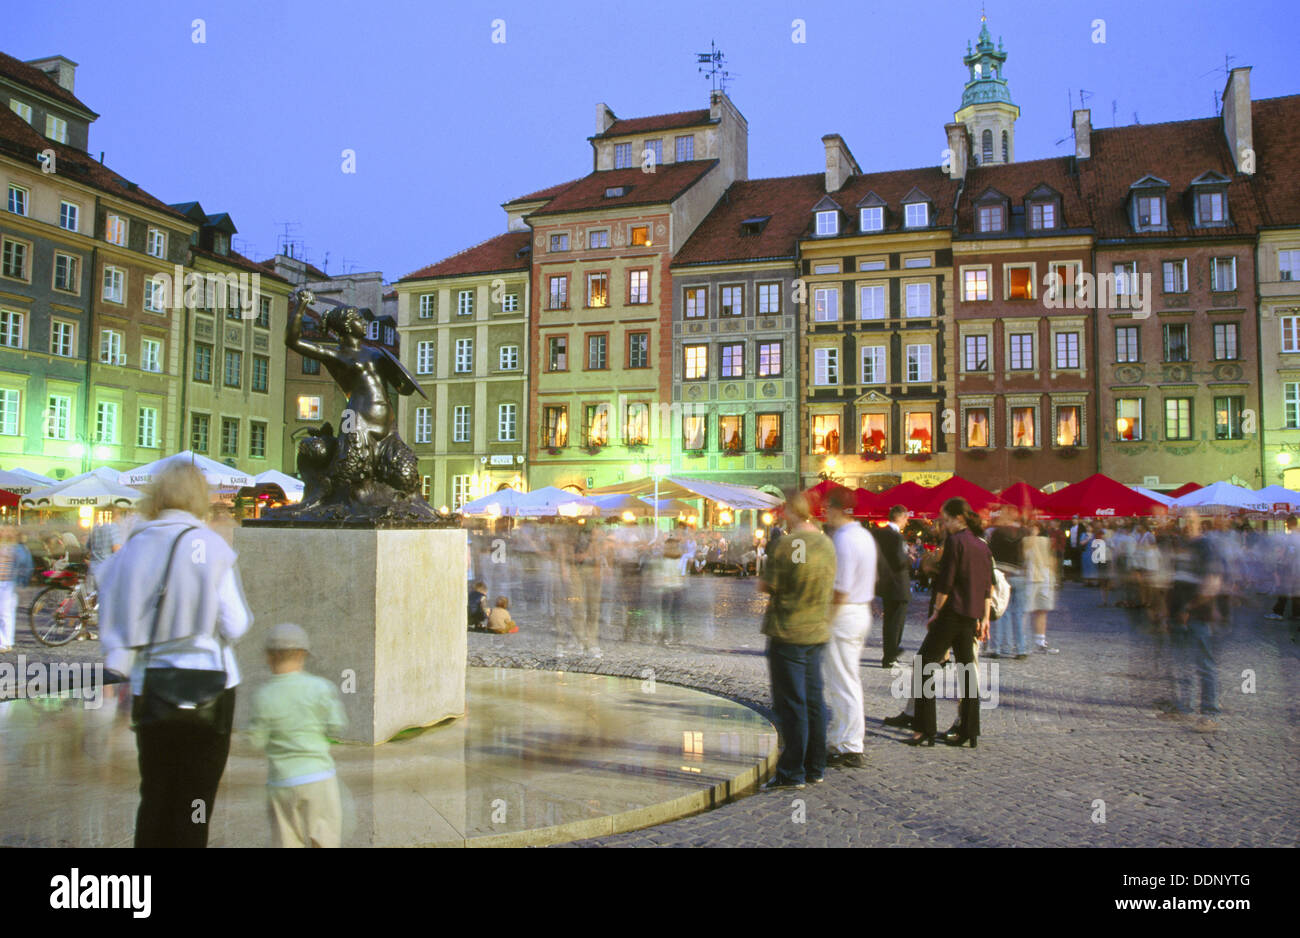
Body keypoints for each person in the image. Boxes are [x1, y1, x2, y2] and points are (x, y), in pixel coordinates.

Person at [97, 462, 252, 848]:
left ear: (157, 496)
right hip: (210, 687)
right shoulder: (211, 546)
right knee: (195, 799)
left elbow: (112, 624)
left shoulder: (132, 547)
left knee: (155, 794)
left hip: (152, 685)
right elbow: (235, 624)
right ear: (199, 498)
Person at [760, 491, 836, 789]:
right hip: (817, 629)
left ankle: (792, 772)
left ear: (791, 511)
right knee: (814, 699)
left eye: (783, 511)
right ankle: (815, 766)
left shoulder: (788, 544)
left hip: (789, 629)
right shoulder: (826, 543)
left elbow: (768, 584)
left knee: (792, 703)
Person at [247, 623, 347, 848]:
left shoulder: (263, 695)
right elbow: (336, 725)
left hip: (281, 782)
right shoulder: (321, 687)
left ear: (269, 657)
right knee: (325, 839)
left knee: (286, 841)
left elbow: (256, 740)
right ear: (303, 654)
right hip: (319, 777)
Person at [905, 497, 993, 749]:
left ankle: (924, 730)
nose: (942, 524)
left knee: (923, 665)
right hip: (972, 615)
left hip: (952, 612)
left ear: (959, 518)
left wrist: (935, 611)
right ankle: (969, 730)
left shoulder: (956, 542)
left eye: (945, 519)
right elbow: (987, 586)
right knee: (967, 672)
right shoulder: (981, 545)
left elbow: (947, 580)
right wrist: (985, 618)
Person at [822, 487, 877, 770]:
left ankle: (848, 744)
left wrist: (826, 620)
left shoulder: (843, 539)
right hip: (861, 610)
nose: (824, 514)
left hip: (845, 613)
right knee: (847, 679)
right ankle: (841, 737)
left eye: (826, 509)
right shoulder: (864, 535)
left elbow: (840, 588)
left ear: (836, 510)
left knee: (842, 681)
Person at [873, 505, 911, 669]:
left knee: (889, 621)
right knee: (896, 621)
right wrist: (910, 557)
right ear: (901, 517)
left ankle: (890, 652)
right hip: (898, 584)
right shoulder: (896, 537)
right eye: (906, 519)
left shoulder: (879, 533)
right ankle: (891, 655)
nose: (907, 522)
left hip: (885, 583)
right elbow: (900, 560)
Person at [987, 507, 1027, 660]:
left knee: (1000, 612)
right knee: (1018, 614)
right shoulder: (1023, 532)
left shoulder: (997, 533)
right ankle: (1021, 649)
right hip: (1020, 575)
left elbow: (990, 555)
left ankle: (998, 648)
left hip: (1002, 575)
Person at [1022, 521, 1060, 653]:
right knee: (1026, 611)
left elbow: (1051, 559)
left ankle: (1039, 641)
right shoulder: (1026, 540)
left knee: (1041, 610)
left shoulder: (1044, 541)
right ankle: (1022, 641)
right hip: (1034, 577)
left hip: (1041, 577)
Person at [0, 527, 16, 653]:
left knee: (5, 613)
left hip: (6, 582)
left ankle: (6, 643)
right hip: (6, 582)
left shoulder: (10, 547)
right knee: (6, 613)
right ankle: (6, 642)